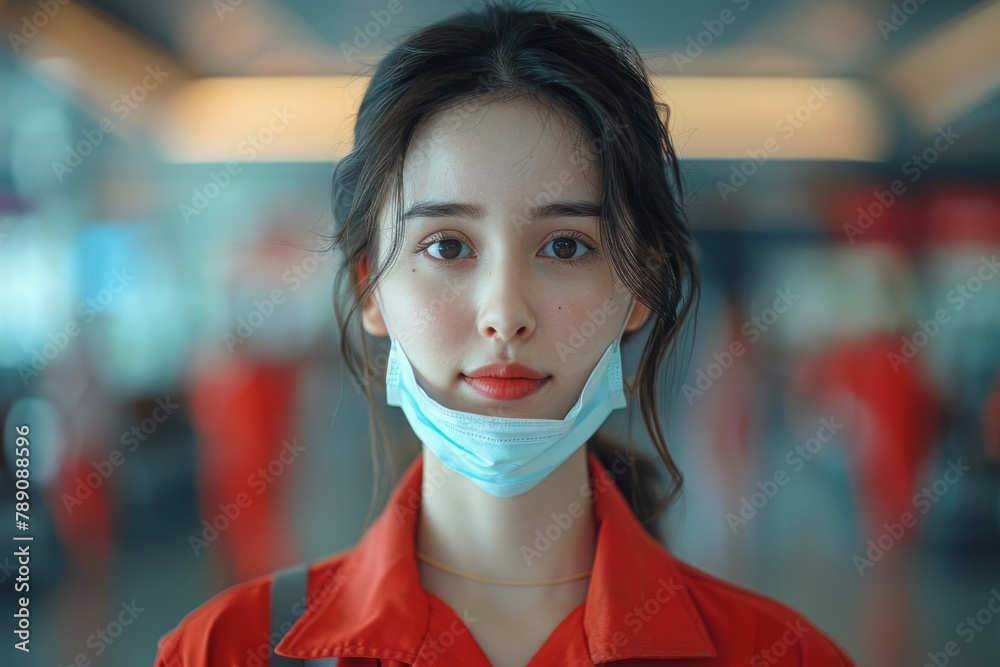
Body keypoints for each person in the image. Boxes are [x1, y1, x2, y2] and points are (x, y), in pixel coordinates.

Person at [154, 2, 856, 665]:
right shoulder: (222, 650)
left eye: (566, 246)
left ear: (641, 287)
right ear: (370, 287)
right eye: (449, 247)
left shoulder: (782, 653)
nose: (504, 314)